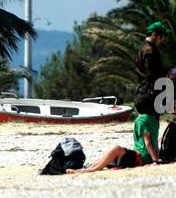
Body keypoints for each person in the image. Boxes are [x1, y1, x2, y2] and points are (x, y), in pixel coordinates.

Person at [70, 22, 169, 173]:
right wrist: (167, 75)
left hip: (144, 94)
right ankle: (88, 169)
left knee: (136, 137)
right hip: (149, 91)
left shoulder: (142, 48)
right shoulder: (149, 50)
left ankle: (87, 170)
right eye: (161, 37)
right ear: (155, 34)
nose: (161, 41)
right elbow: (151, 74)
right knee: (146, 129)